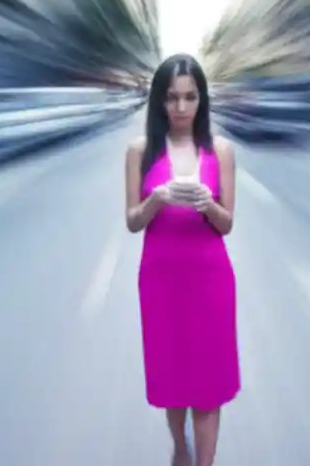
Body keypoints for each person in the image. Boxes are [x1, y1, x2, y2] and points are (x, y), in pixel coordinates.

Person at [125, 53, 238, 466]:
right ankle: (180, 447)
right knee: (173, 381)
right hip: (161, 281)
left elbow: (227, 224)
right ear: (159, 100)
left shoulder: (221, 151)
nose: (181, 107)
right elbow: (133, 222)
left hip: (210, 280)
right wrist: (155, 199)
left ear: (202, 99)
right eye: (172, 97)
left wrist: (208, 204)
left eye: (190, 97)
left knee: (208, 387)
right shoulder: (139, 151)